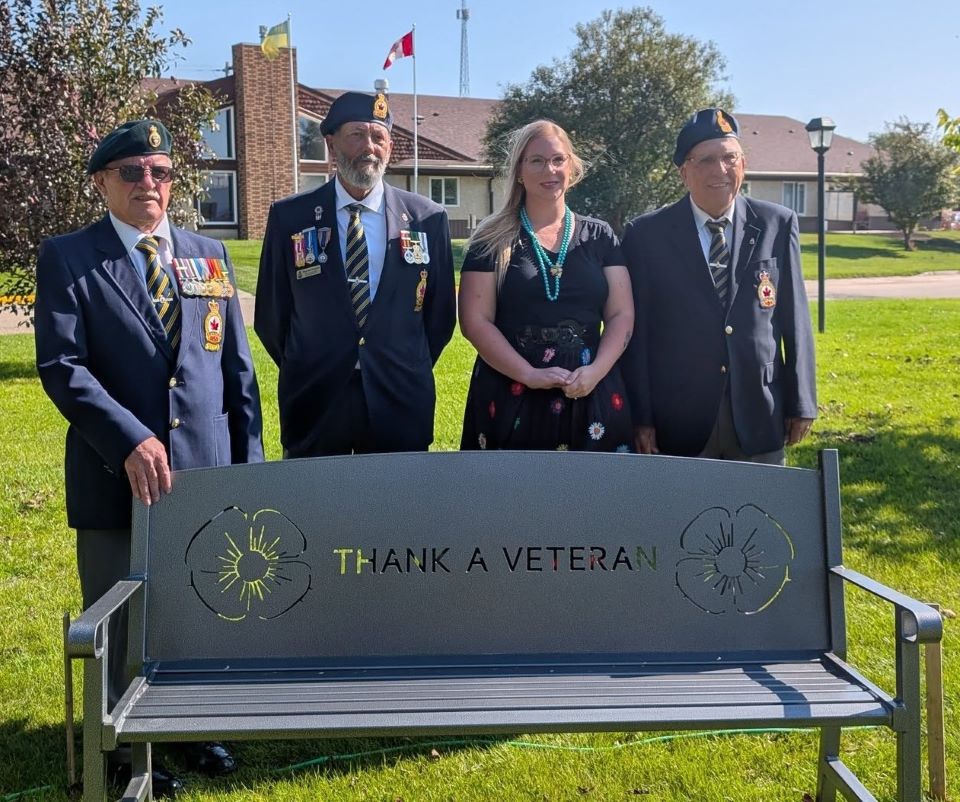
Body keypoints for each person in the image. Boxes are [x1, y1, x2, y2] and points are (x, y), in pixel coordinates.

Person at [35, 120, 264, 796]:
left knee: (199, 605)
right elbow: (61, 365)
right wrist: (128, 436)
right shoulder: (70, 257)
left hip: (204, 468)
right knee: (116, 612)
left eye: (161, 172)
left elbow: (237, 372)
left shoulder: (205, 257)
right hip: (116, 473)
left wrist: (249, 468)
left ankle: (195, 726)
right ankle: (122, 742)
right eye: (132, 172)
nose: (149, 185)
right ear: (102, 181)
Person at [255, 91, 457, 456]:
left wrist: (397, 359)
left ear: (390, 146)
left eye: (378, 137)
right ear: (331, 145)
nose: (370, 147)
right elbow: (272, 317)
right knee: (315, 511)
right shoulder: (290, 218)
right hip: (315, 403)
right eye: (357, 136)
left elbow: (439, 319)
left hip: (399, 404)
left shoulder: (427, 219)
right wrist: (316, 358)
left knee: (395, 511)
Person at [620, 108, 817, 463]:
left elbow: (795, 319)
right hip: (678, 415)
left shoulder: (778, 223)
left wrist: (802, 400)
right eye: (707, 160)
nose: (720, 170)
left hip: (761, 409)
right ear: (684, 172)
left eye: (730, 158)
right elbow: (637, 336)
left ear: (743, 164)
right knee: (685, 516)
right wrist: (641, 416)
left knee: (757, 515)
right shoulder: (646, 235)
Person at [459, 120, 635, 452]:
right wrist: (528, 375)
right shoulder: (491, 238)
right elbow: (474, 322)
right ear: (520, 171)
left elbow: (621, 314)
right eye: (536, 161)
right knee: (511, 499)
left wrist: (596, 371)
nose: (549, 169)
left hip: (590, 389)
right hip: (510, 390)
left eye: (558, 160)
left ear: (572, 166)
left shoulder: (600, 236)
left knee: (595, 498)